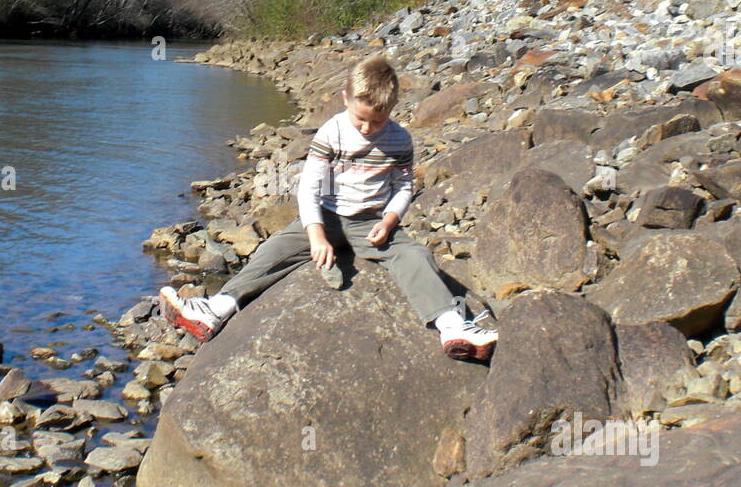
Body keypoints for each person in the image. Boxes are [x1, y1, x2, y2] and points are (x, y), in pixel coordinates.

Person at [158, 54, 498, 361]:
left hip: (372, 220)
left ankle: (452, 326)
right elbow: (309, 187)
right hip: (328, 215)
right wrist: (317, 235)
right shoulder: (332, 132)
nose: (367, 128)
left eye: (377, 122)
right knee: (274, 250)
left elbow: (404, 185)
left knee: (415, 257)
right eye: (360, 119)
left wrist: (392, 218)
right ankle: (217, 309)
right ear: (345, 98)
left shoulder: (399, 139)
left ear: (392, 108)